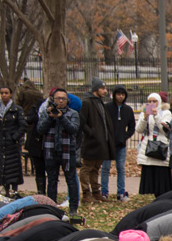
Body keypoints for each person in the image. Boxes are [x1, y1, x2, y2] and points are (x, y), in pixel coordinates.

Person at [37, 88, 81, 216]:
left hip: (68, 152)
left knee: (71, 180)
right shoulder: (47, 113)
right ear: (53, 100)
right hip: (51, 152)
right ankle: (52, 206)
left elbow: (73, 129)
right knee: (52, 180)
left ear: (67, 100)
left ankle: (73, 207)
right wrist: (51, 117)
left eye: (63, 98)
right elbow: (40, 129)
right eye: (58, 98)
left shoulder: (73, 113)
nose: (60, 101)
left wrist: (61, 118)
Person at [79, 78, 115, 203]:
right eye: (103, 88)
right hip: (91, 142)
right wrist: (91, 133)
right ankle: (86, 193)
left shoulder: (100, 103)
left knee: (95, 168)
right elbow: (82, 121)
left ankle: (96, 192)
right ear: (96, 89)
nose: (105, 91)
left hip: (101, 142)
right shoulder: (87, 103)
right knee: (87, 168)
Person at [134, 93, 172, 198]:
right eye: (149, 101)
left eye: (154, 101)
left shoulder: (165, 113)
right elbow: (139, 129)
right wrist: (144, 118)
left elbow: (164, 129)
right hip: (149, 146)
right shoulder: (145, 113)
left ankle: (163, 198)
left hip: (161, 146)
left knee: (161, 177)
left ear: (159, 102)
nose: (151, 104)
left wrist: (156, 116)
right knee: (151, 177)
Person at [0, 85, 26, 198]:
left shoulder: (16, 109)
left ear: (10, 94)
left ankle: (14, 190)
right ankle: (5, 189)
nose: (3, 95)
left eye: (6, 93)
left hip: (12, 144)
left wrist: (14, 137)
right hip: (0, 143)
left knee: (13, 167)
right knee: (2, 166)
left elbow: (22, 126)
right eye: (2, 93)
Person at [101, 85, 135, 201]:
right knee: (105, 168)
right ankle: (104, 191)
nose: (120, 96)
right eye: (118, 94)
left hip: (121, 144)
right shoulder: (107, 108)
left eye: (123, 94)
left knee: (121, 168)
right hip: (108, 143)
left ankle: (121, 191)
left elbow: (131, 127)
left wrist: (124, 137)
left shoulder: (128, 110)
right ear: (114, 95)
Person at [23, 86, 48, 196]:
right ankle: (40, 191)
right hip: (36, 142)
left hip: (48, 144)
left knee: (50, 170)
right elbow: (29, 119)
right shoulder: (37, 106)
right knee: (39, 169)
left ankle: (48, 192)